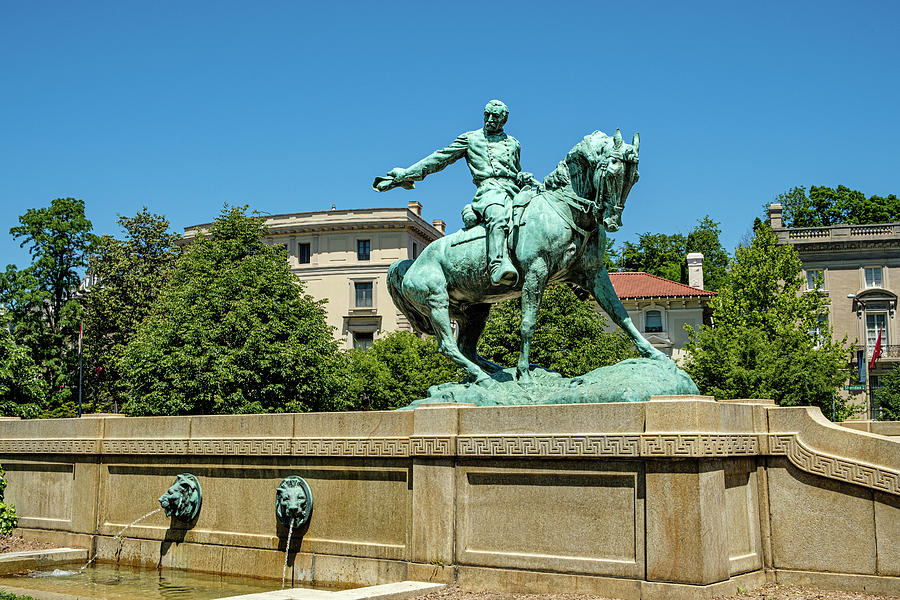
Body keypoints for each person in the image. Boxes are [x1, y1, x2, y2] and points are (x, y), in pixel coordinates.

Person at [380, 100, 538, 285]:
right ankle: (497, 264)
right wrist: (407, 174)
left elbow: (515, 171)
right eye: (487, 114)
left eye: (495, 116)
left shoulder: (513, 144)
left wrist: (522, 177)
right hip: (489, 191)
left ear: (504, 120)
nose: (489, 119)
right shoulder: (471, 139)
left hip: (514, 190)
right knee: (497, 214)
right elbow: (440, 158)